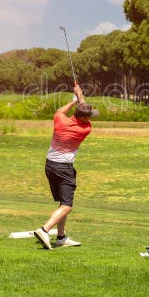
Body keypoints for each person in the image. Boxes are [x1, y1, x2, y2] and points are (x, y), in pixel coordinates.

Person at [34, 83, 97, 249]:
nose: (90, 118)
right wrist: (80, 96)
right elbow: (83, 111)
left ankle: (61, 237)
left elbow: (61, 111)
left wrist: (73, 99)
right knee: (67, 206)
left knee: (62, 203)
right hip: (64, 168)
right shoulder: (84, 129)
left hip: (50, 165)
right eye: (89, 116)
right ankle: (44, 230)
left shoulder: (59, 119)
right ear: (84, 119)